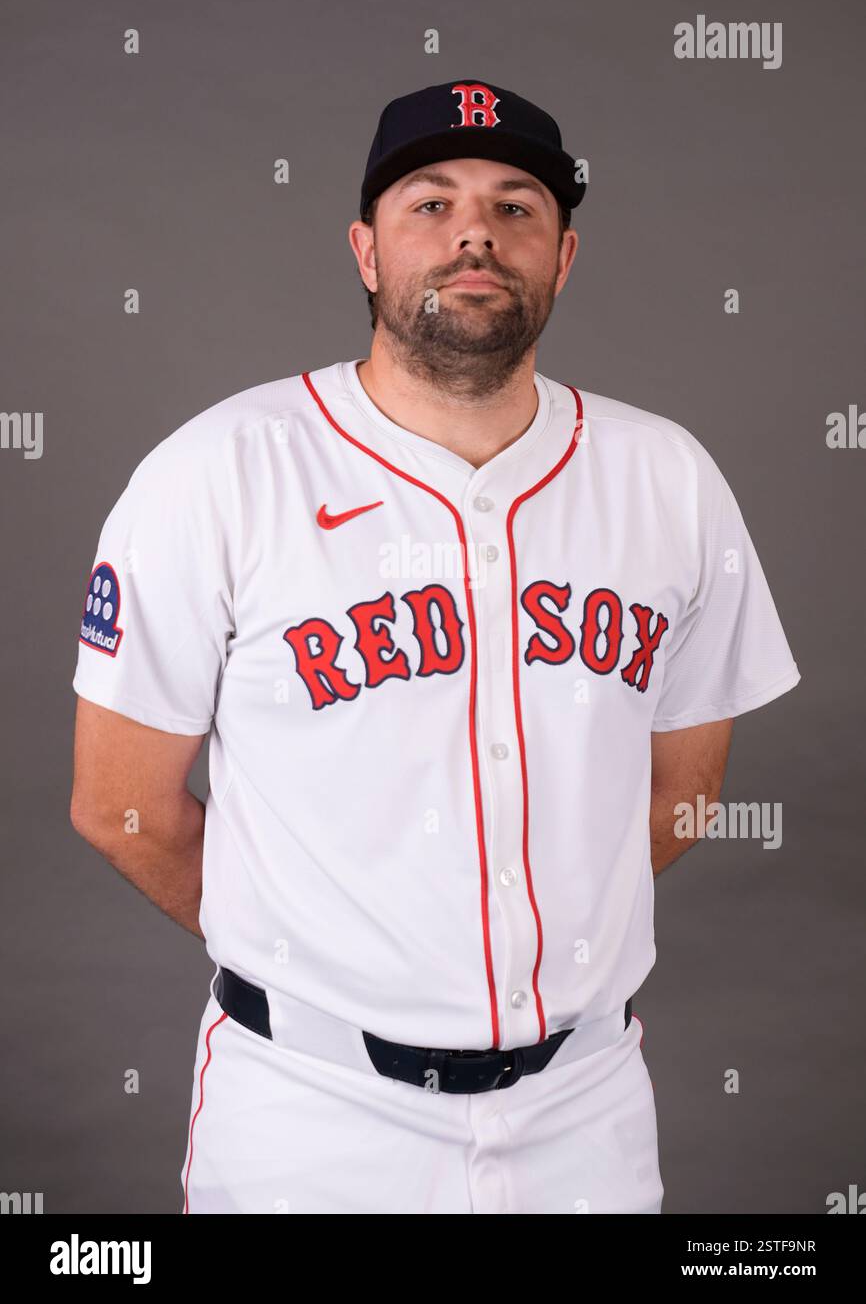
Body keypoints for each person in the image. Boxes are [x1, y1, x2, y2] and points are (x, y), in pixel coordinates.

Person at [70, 78, 801, 1214]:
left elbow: (680, 790)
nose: (475, 230)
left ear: (565, 258)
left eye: (517, 207)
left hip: (586, 1114)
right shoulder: (217, 473)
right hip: (309, 1114)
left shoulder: (667, 478)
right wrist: (335, 943)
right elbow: (120, 805)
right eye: (431, 201)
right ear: (365, 250)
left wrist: (522, 924)